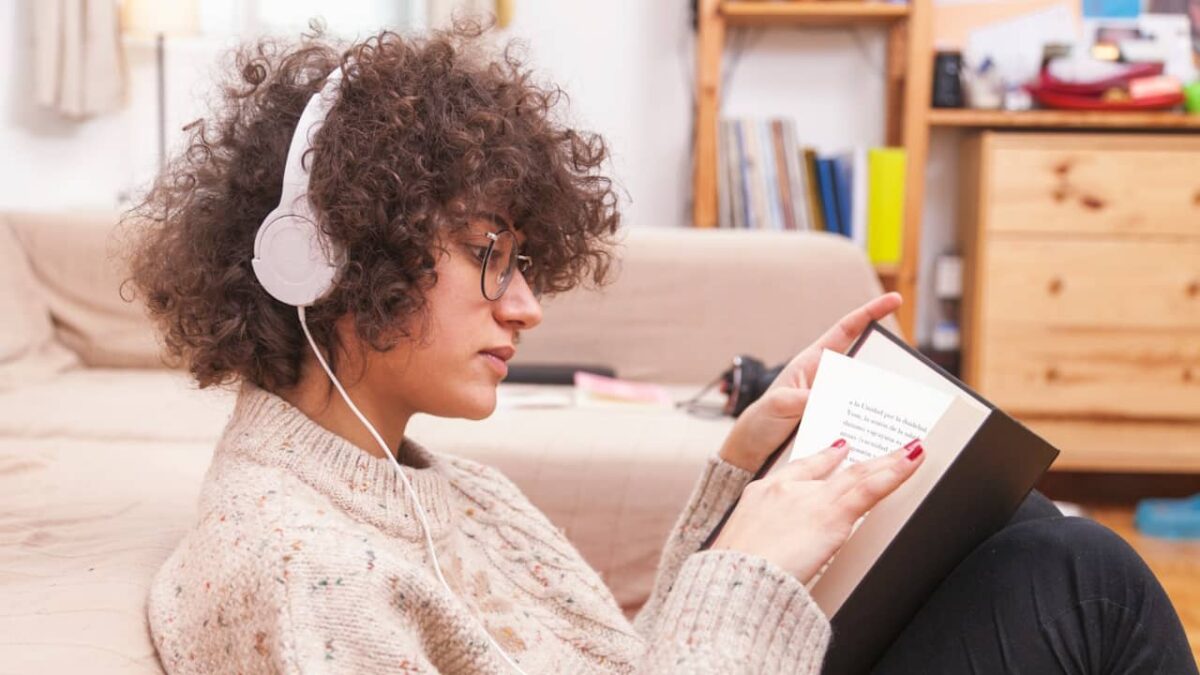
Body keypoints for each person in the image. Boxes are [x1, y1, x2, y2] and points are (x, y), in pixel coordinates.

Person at [127, 20, 1196, 674]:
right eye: (490, 255)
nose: (527, 307)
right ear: (332, 255)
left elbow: (626, 660)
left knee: (1027, 535)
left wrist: (742, 470)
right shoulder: (297, 568)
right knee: (1085, 578)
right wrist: (744, 568)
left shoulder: (435, 486)